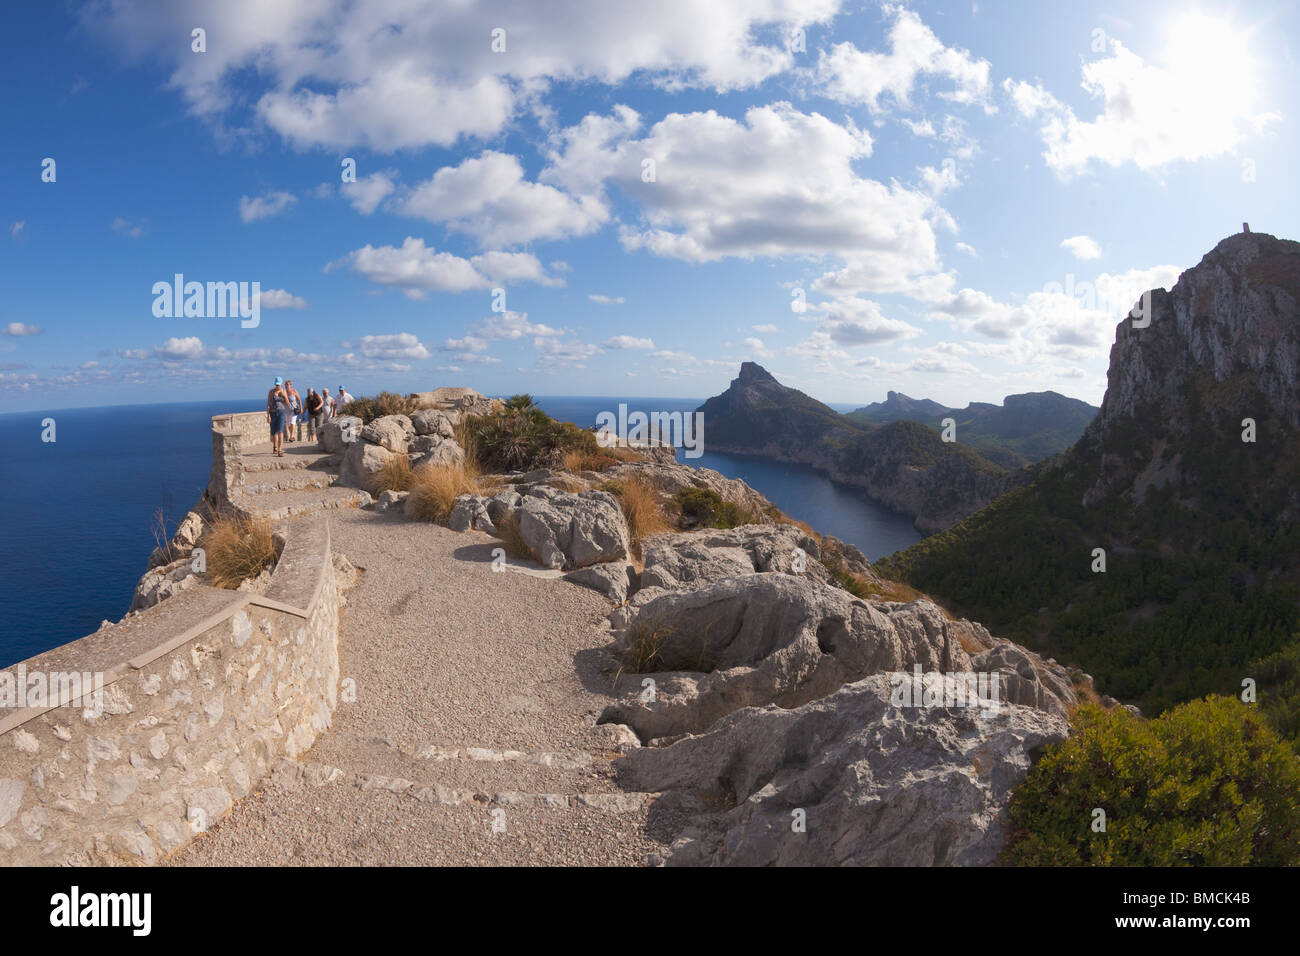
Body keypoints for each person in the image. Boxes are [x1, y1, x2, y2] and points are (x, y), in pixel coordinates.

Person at [266, 377, 290, 457]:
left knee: (280, 431)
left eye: (278, 384)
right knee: (274, 432)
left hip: (281, 413)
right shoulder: (271, 392)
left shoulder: (283, 391)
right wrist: (268, 415)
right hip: (272, 413)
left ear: (281, 384)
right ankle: (275, 446)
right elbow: (269, 404)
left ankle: (280, 450)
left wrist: (284, 396)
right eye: (276, 384)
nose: (277, 386)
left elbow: (287, 403)